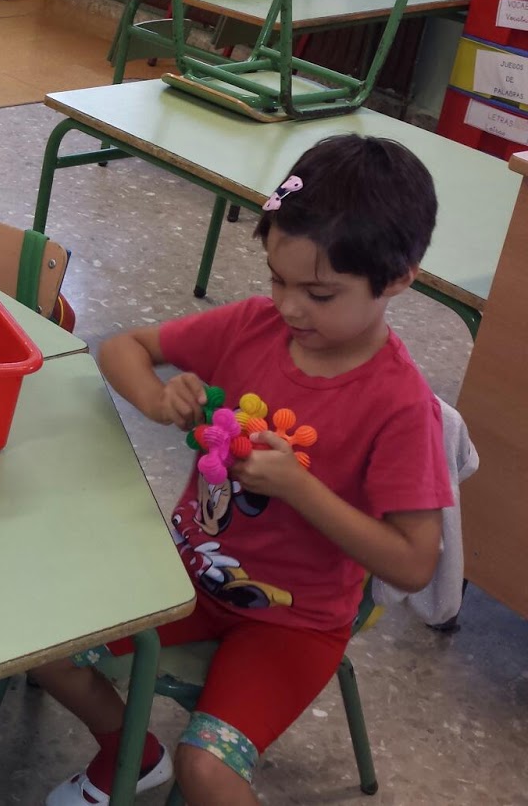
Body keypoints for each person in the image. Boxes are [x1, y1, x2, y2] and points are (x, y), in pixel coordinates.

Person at [32, 135, 449, 806]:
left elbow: (412, 563)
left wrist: (299, 488)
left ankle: (165, 757)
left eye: (319, 293)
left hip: (294, 623)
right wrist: (157, 397)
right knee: (41, 642)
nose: (289, 307)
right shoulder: (253, 328)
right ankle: (131, 753)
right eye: (277, 278)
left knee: (209, 771)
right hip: (182, 577)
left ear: (398, 278)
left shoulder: (399, 405)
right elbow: (123, 349)